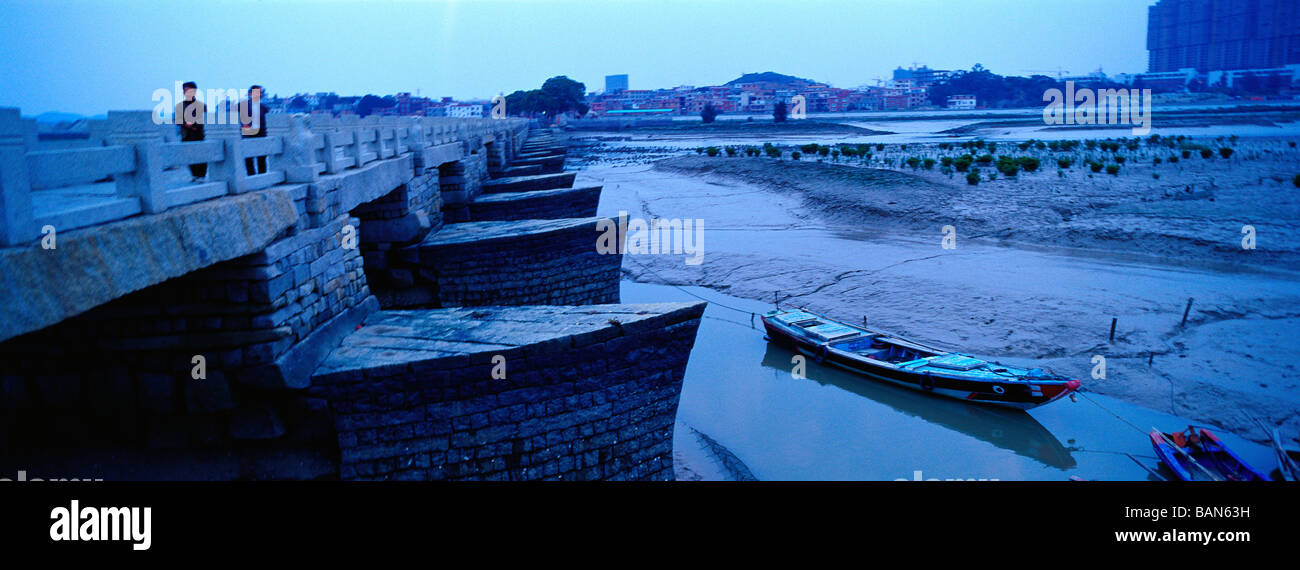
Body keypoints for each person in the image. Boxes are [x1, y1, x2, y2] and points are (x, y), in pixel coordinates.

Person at [174, 81, 207, 181]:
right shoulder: (179, 106)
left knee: (201, 154)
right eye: (185, 90)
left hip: (198, 133)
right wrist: (185, 124)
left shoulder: (202, 105)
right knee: (188, 155)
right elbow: (176, 119)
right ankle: (194, 175)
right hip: (186, 134)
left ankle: (201, 175)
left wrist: (194, 124)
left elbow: (204, 119)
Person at [240, 84, 270, 175]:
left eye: (260, 93)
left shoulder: (264, 108)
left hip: (261, 134)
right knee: (249, 159)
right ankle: (251, 176)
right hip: (248, 134)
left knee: (262, 158)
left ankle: (262, 177)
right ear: (250, 93)